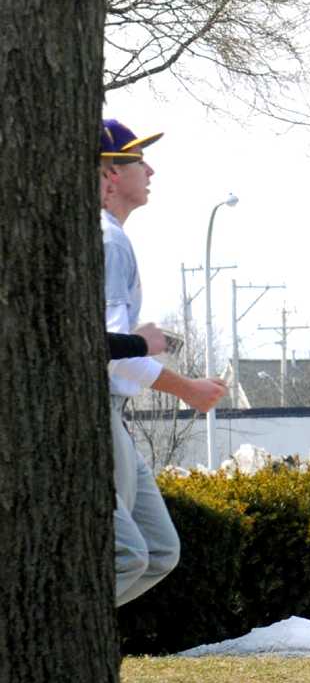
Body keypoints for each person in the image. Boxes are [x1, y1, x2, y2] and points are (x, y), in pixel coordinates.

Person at [100, 120, 227, 605]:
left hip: (118, 415)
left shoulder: (113, 239)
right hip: (105, 409)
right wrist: (187, 388)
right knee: (127, 553)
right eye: (137, 161)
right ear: (110, 174)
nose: (150, 169)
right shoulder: (109, 242)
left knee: (156, 550)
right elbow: (115, 355)